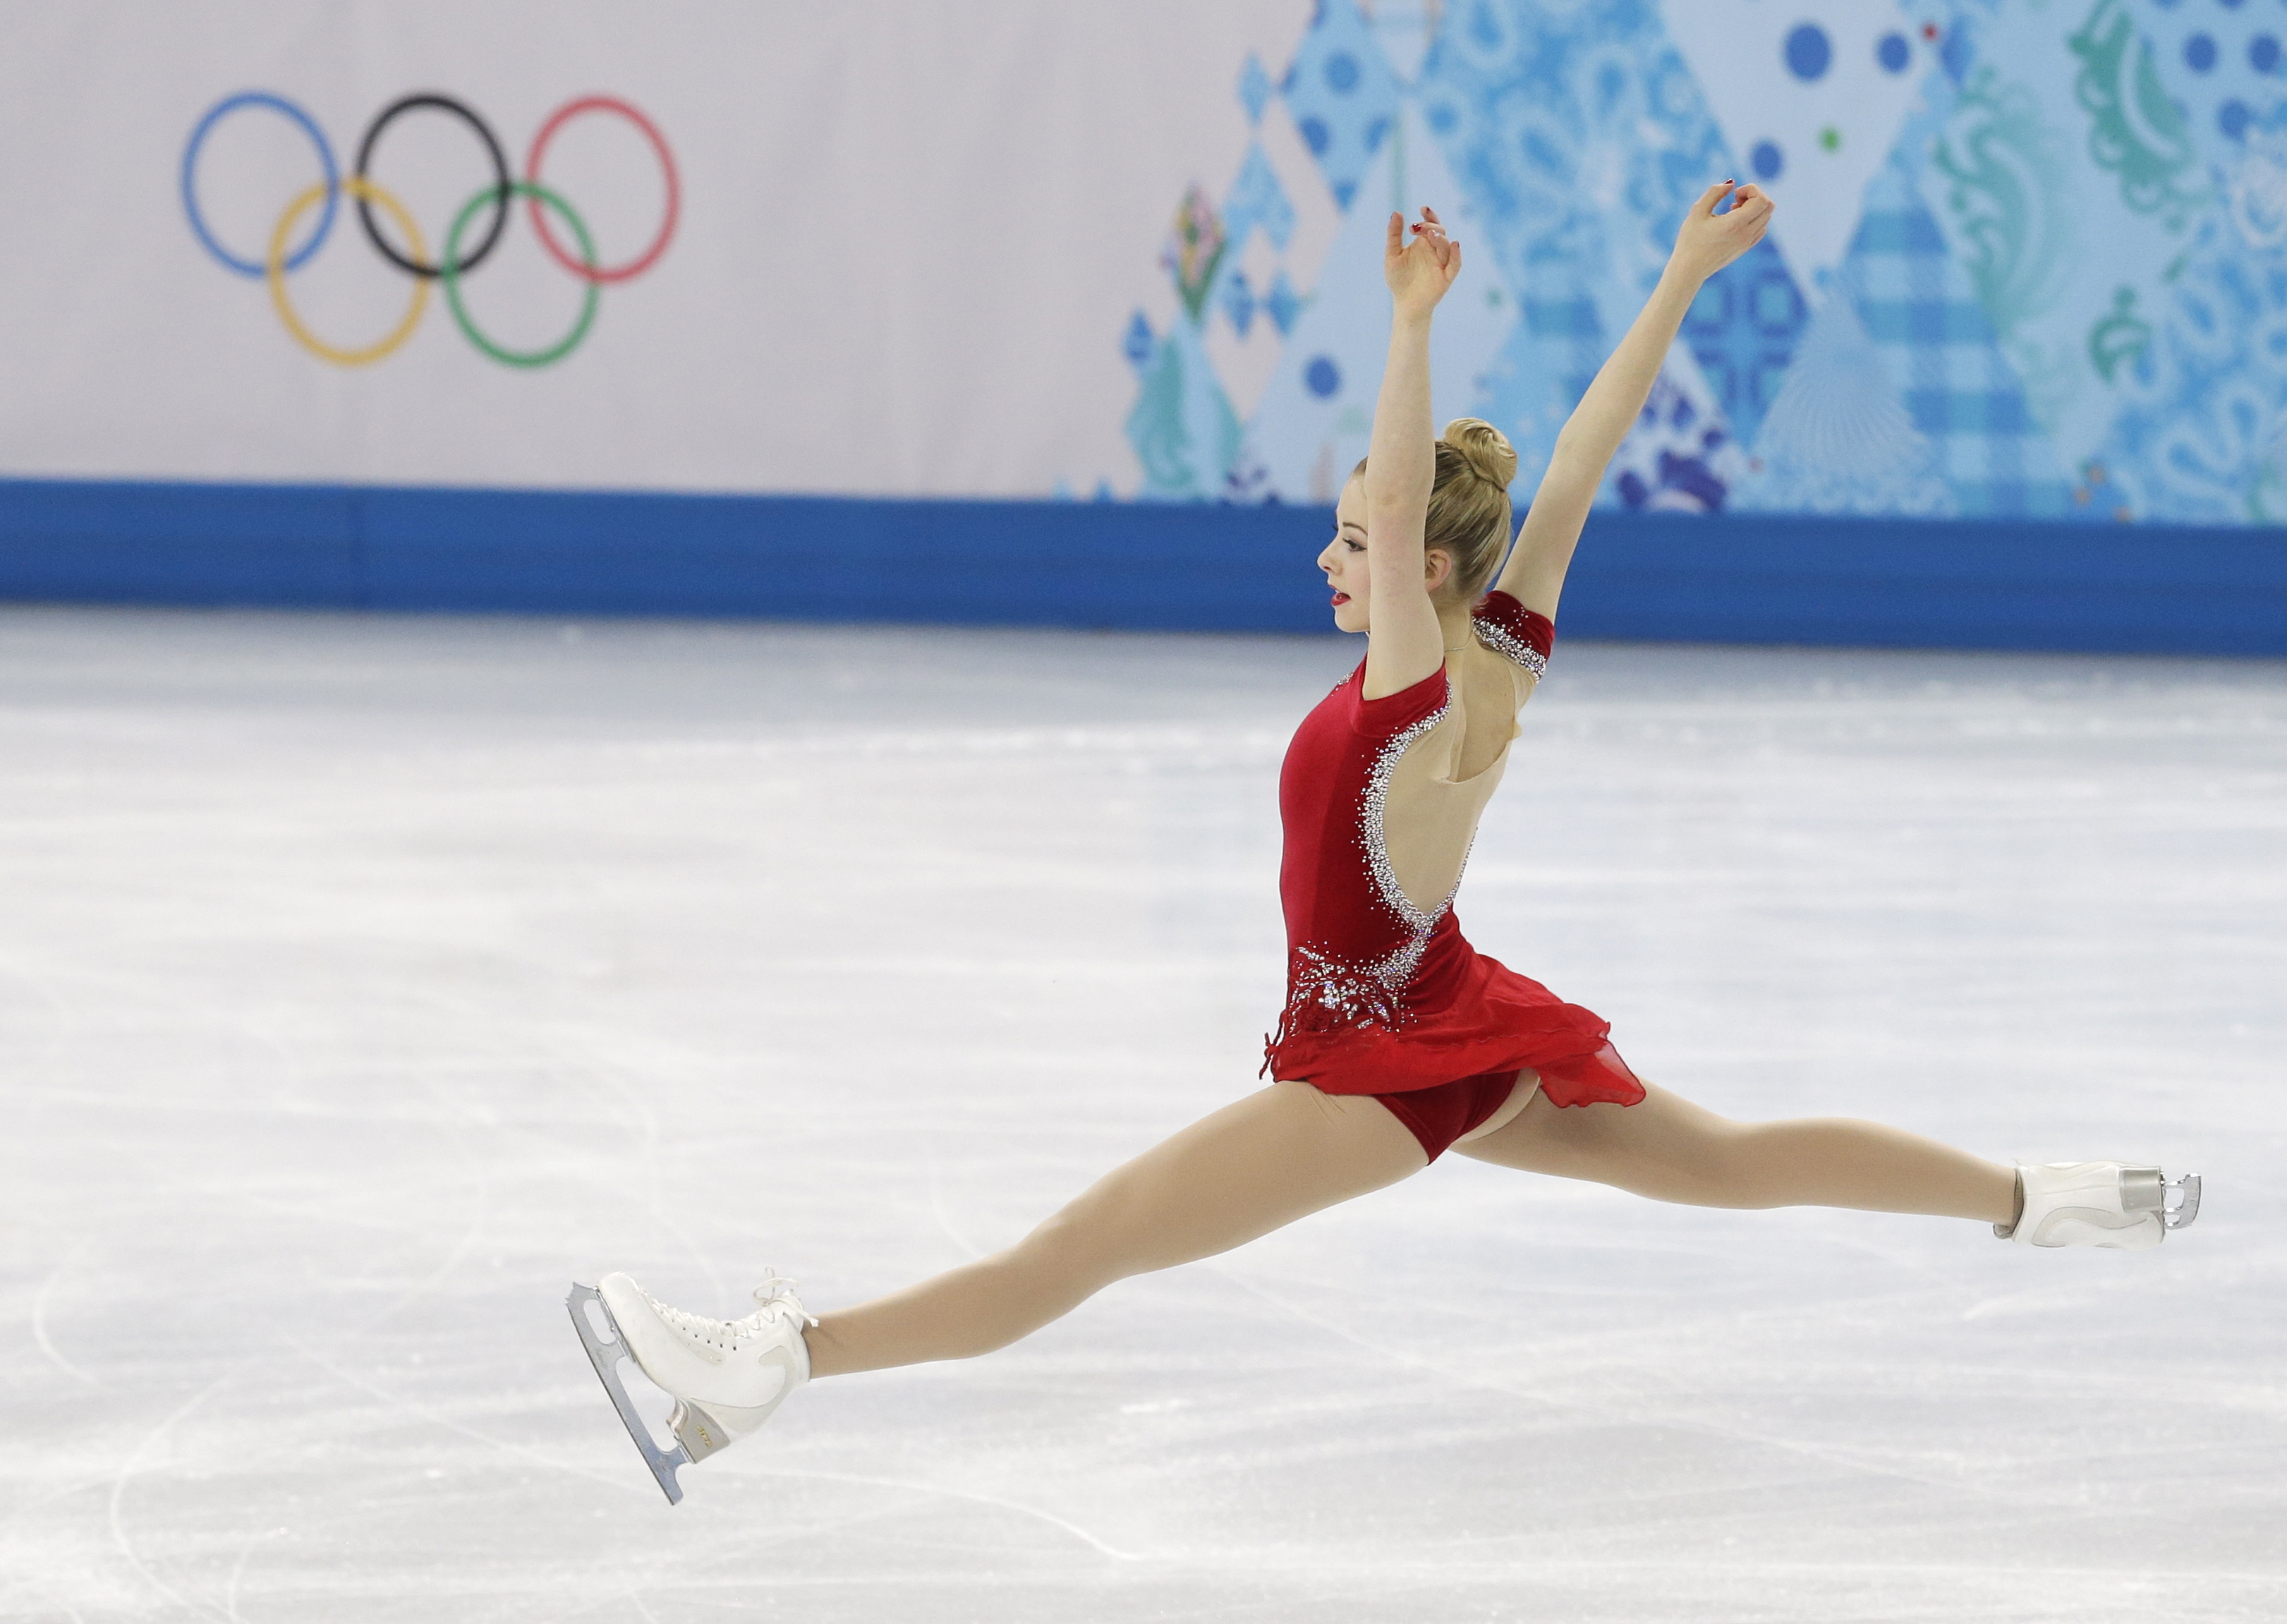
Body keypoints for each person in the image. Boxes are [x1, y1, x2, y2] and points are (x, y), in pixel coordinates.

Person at [571, 184, 2200, 1498]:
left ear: (1421, 562)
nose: (1329, 558)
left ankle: (774, 1359)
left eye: (1358, 538)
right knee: (1731, 1160)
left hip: (1375, 1061)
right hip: (1454, 1016)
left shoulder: (1414, 690)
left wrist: (1411, 323)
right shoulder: (1507, 650)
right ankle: (2044, 1195)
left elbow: (1452, 481)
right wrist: (1683, 280)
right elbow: (1576, 461)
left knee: (1074, 1250)